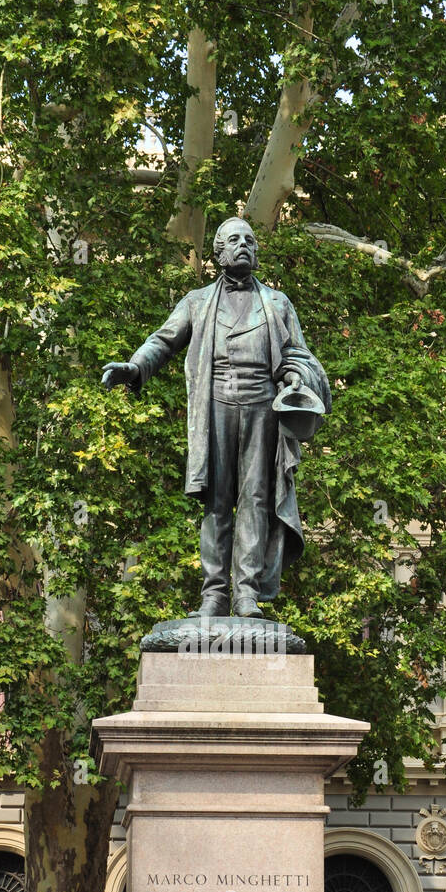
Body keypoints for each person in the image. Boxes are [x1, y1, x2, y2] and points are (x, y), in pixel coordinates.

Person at [102, 218, 331, 618]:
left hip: (264, 409)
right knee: (218, 500)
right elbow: (163, 340)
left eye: (250, 240)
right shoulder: (197, 301)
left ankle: (245, 594)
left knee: (257, 499)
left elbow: (298, 353)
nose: (243, 245)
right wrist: (136, 367)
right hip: (216, 407)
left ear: (257, 252)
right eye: (234, 240)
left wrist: (296, 375)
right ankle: (213, 594)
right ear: (218, 253)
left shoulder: (278, 303)